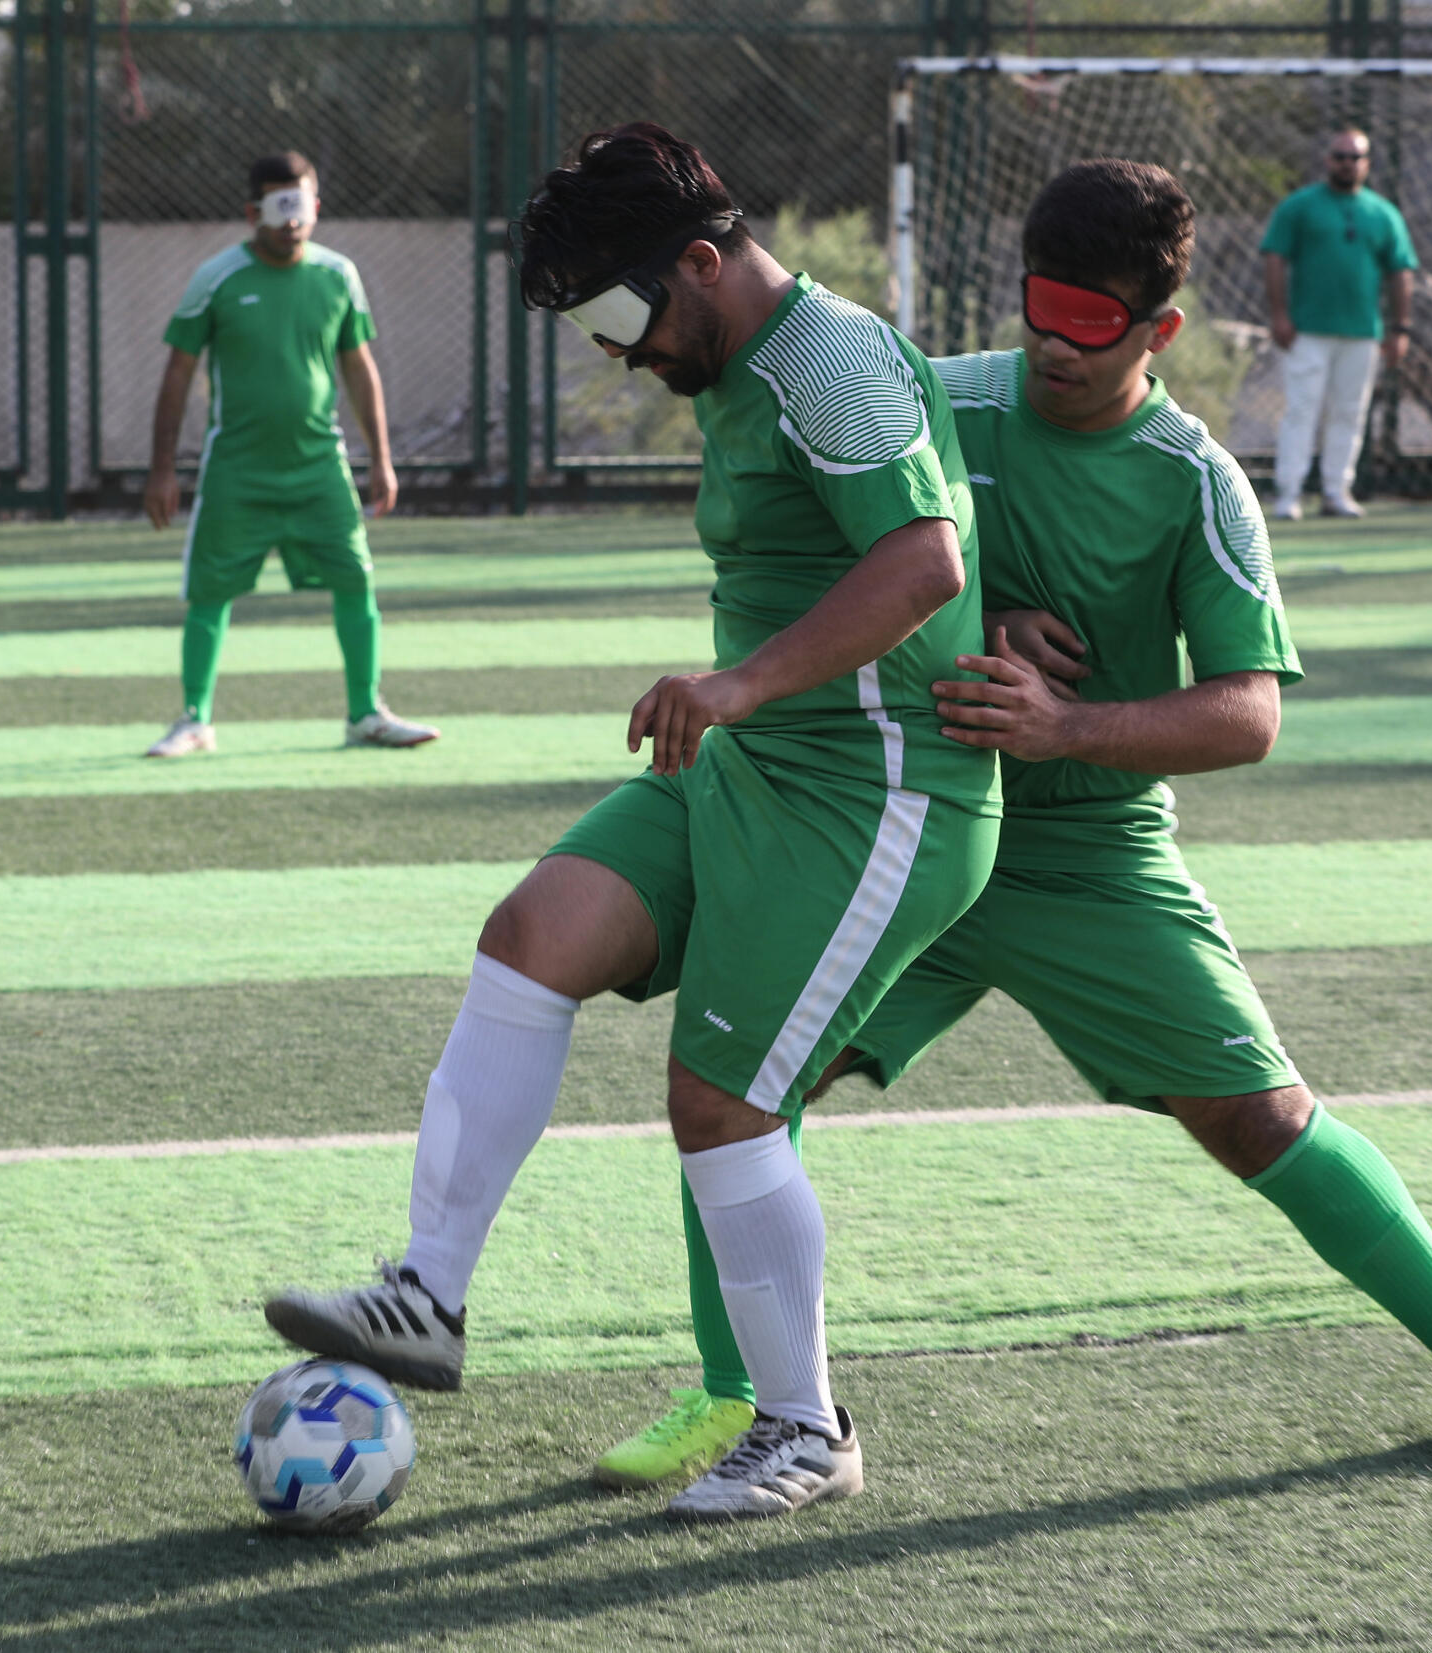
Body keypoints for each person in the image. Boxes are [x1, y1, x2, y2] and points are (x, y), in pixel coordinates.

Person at [596, 159, 1432, 1490]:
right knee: (739, 1090)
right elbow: (869, 551)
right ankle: (740, 1395)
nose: (1055, 351)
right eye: (1039, 313)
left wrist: (1068, 728)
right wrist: (978, 623)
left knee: (1262, 1120)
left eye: (1094, 326)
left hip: (1091, 859)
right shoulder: (936, 395)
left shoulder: (1195, 482)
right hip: (899, 825)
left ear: (1162, 331)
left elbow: (1249, 715)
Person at [262, 122, 1002, 1522]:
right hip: (754, 764)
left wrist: (737, 680)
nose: (619, 353)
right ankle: (427, 1296)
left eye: (620, 317)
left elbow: (923, 559)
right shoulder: (741, 357)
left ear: (707, 265)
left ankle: (803, 1427)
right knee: (534, 931)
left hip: (881, 793)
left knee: (721, 1106)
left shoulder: (830, 358)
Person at [140, 151, 435, 757]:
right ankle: (194, 718)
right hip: (236, 472)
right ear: (252, 213)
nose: (290, 220)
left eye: (299, 206)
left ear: (317, 208)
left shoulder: (338, 276)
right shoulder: (216, 278)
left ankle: (365, 712)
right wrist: (162, 468)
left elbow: (359, 367)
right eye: (278, 208)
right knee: (209, 591)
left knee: (355, 577)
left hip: (318, 468)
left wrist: (381, 458)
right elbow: (177, 372)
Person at [1259, 128, 1417, 521]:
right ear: (1328, 160)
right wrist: (1280, 314)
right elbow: (1274, 257)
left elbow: (1401, 271)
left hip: (1362, 333)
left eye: (1355, 156)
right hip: (1307, 330)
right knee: (1301, 410)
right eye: (1340, 156)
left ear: (1366, 163)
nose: (1347, 163)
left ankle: (1336, 491)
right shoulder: (1299, 207)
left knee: (1349, 412)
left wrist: (1400, 328)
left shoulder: (1383, 213)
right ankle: (1289, 493)